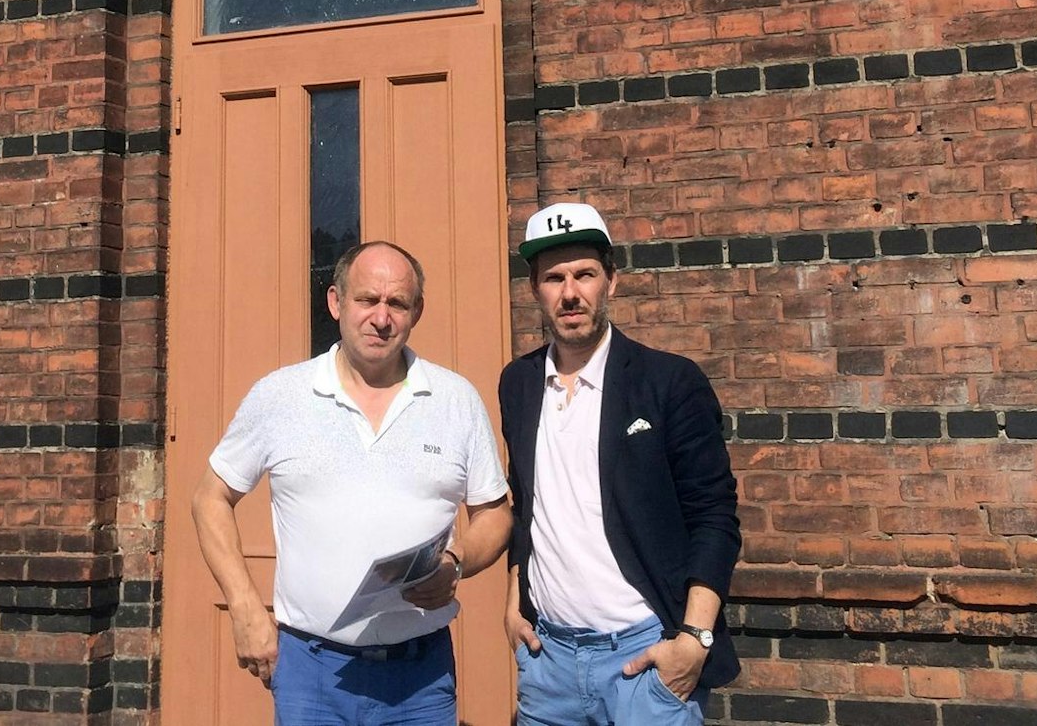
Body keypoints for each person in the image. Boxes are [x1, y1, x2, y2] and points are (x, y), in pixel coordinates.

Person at [193, 239, 513, 726]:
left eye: (397, 303)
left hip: (420, 678)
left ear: (417, 311)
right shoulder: (282, 396)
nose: (381, 318)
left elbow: (494, 513)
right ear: (336, 302)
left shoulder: (454, 400)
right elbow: (210, 497)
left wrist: (458, 561)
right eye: (367, 300)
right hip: (312, 670)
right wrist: (243, 607)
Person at [499, 202, 741, 725]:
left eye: (585, 274)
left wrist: (695, 639)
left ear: (612, 280)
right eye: (554, 278)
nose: (570, 293)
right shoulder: (517, 384)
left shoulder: (668, 382)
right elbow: (526, 504)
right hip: (549, 662)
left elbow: (714, 516)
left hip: (646, 659)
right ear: (534, 288)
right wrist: (514, 593)